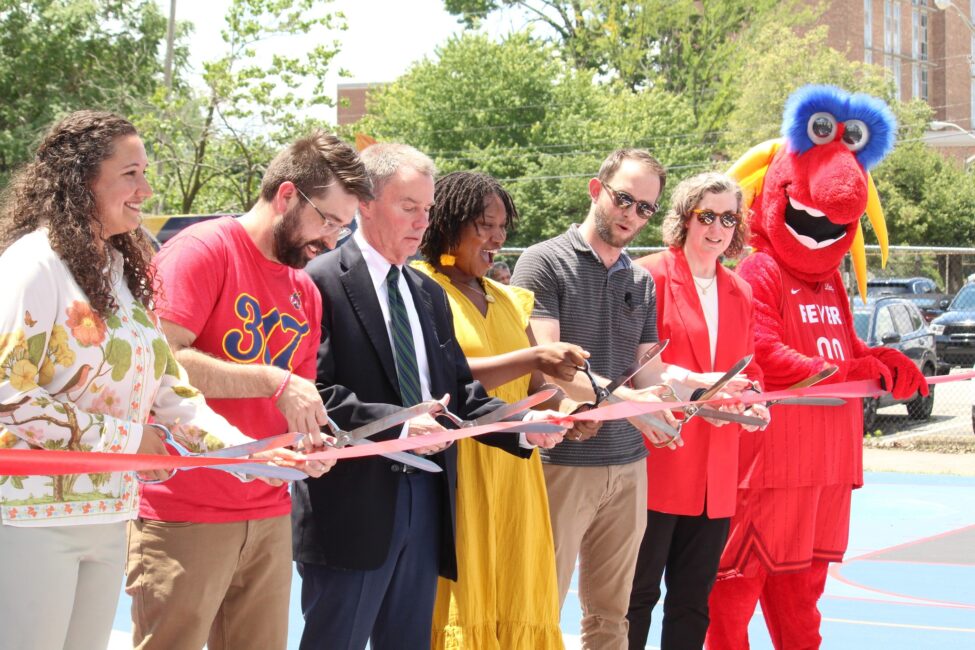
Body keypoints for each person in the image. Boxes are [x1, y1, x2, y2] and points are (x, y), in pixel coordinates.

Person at [0, 110, 275, 650]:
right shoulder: (32, 265)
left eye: (145, 173)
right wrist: (128, 442)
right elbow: (8, 396)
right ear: (81, 178)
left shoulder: (123, 273)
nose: (146, 188)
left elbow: (170, 389)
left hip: (108, 514)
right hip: (29, 519)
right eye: (131, 174)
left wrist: (256, 454)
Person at [293, 144, 565, 650]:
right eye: (408, 206)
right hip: (354, 508)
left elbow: (459, 393)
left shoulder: (426, 294)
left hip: (428, 505)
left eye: (427, 208)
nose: (421, 221)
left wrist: (523, 429)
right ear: (365, 204)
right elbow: (314, 390)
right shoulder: (320, 281)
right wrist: (399, 425)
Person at [126, 130, 371, 649]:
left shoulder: (304, 288)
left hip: (269, 511)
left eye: (343, 230)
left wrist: (310, 446)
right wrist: (269, 378)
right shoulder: (201, 250)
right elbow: (159, 359)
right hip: (185, 511)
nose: (331, 241)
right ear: (287, 195)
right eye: (328, 221)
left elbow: (297, 403)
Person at [511, 148, 747, 650]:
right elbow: (551, 371)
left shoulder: (639, 280)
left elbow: (650, 378)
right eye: (625, 199)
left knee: (613, 618)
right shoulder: (542, 262)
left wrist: (707, 397)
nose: (632, 214)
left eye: (645, 208)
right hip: (562, 461)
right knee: (539, 610)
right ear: (596, 190)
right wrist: (640, 412)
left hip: (628, 467)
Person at [413, 170, 598, 649]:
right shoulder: (420, 288)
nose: (497, 238)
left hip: (517, 469)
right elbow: (447, 375)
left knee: (517, 597)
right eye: (484, 225)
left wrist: (571, 413)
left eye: (502, 227)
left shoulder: (509, 299)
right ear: (448, 224)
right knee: (467, 597)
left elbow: (538, 386)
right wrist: (533, 356)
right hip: (463, 470)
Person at [627, 173, 770, 650]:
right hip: (658, 459)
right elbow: (631, 366)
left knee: (692, 601)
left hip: (717, 471)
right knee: (637, 595)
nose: (717, 228)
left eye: (729, 218)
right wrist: (691, 391)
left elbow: (743, 367)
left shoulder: (741, 291)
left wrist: (753, 400)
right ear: (685, 219)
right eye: (707, 216)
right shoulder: (648, 275)